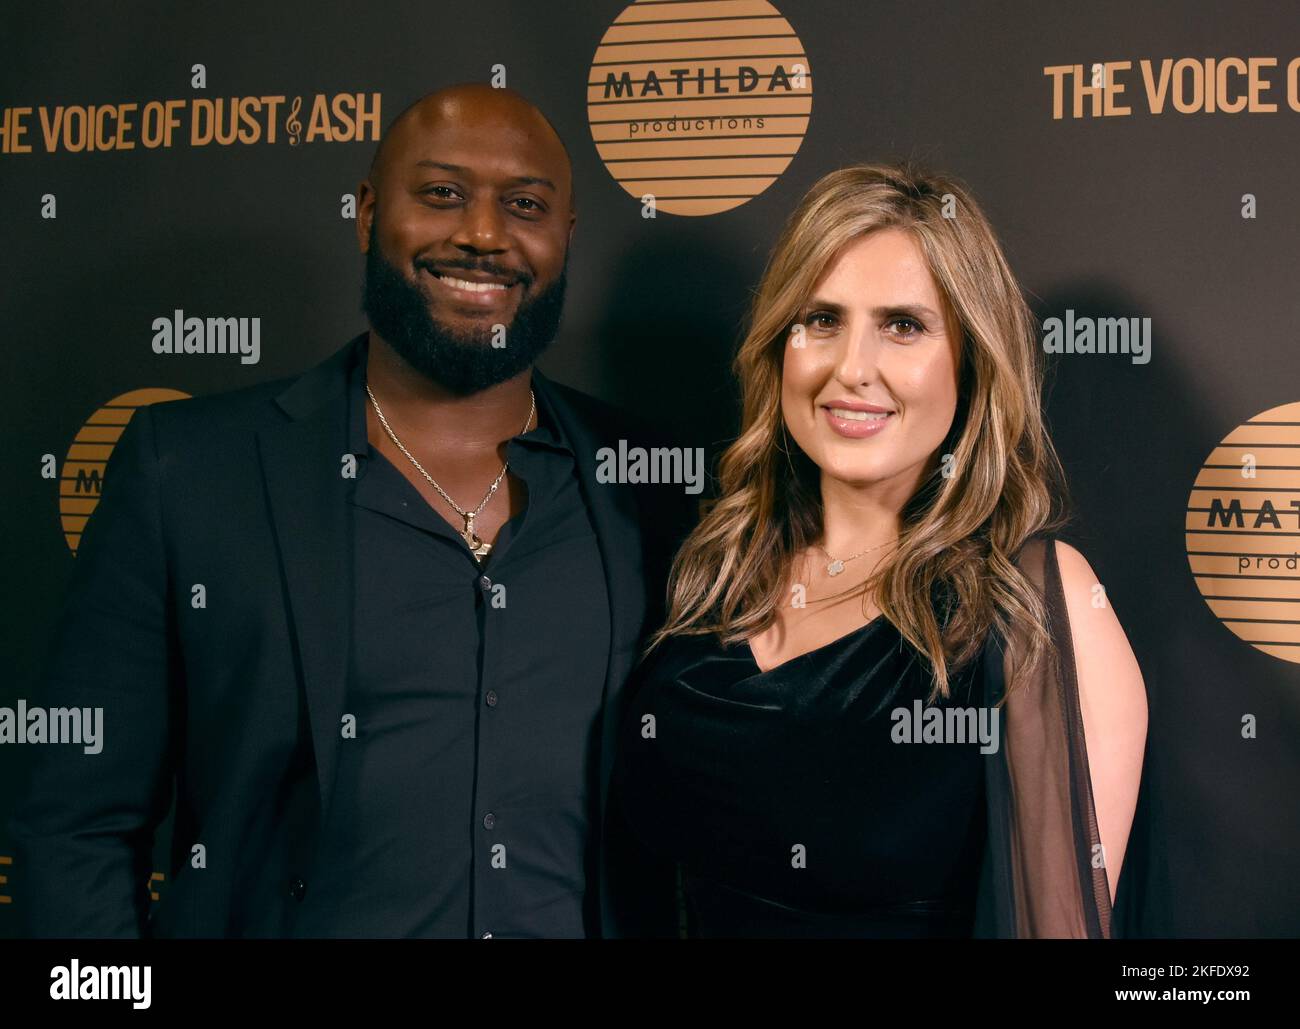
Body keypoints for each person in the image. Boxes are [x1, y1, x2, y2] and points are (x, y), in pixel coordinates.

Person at [8, 83, 691, 938]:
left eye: (524, 205)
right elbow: (72, 829)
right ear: (369, 214)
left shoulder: (659, 488)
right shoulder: (187, 471)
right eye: (441, 194)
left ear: (564, 238)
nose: (483, 234)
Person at [611, 162, 1149, 938]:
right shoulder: (714, 569)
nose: (851, 368)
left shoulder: (1035, 607)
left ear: (971, 359)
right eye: (822, 319)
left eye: (903, 325)